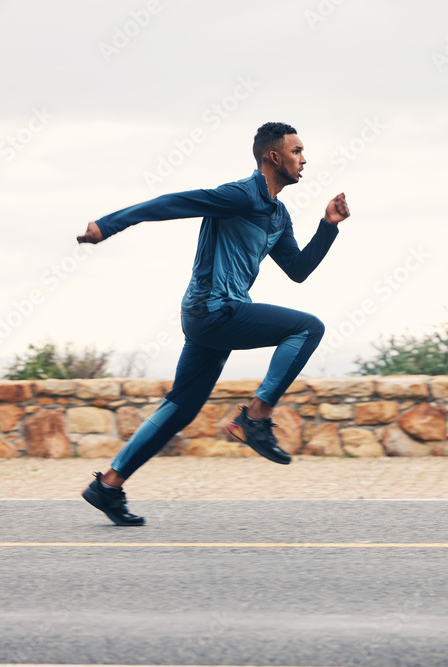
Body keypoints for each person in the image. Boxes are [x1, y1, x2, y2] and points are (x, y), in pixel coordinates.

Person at [76, 122, 350, 525]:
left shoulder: (277, 215)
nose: (304, 159)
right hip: (212, 309)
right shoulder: (240, 195)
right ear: (273, 157)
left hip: (219, 315)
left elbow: (297, 269)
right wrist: (109, 224)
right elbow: (172, 202)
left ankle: (109, 485)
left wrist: (328, 227)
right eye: (297, 151)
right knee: (308, 328)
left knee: (181, 407)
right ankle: (254, 418)